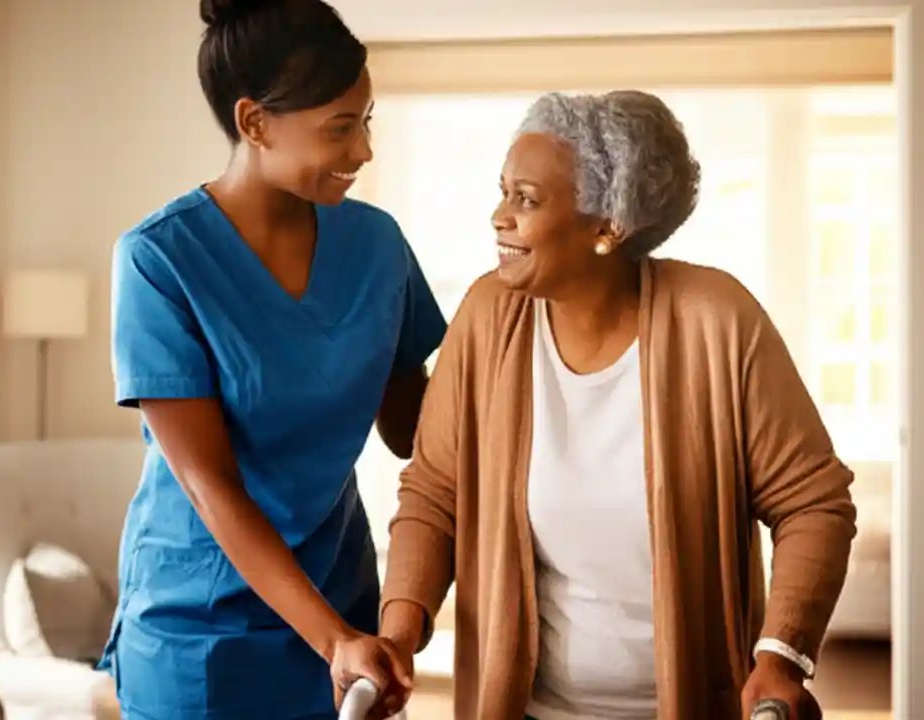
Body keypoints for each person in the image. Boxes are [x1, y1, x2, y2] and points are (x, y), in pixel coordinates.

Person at [352, 91, 857, 719]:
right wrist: (398, 635)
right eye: (503, 191)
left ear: (608, 226)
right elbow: (434, 492)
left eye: (526, 199)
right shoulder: (488, 317)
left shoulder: (717, 320)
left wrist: (781, 657)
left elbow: (814, 502)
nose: (498, 216)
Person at [99, 0, 443, 717]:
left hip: (343, 602)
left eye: (366, 122)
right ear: (255, 122)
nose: (362, 151)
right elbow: (210, 486)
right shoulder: (161, 259)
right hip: (201, 627)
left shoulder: (377, 246)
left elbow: (416, 431)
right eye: (339, 128)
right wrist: (333, 641)